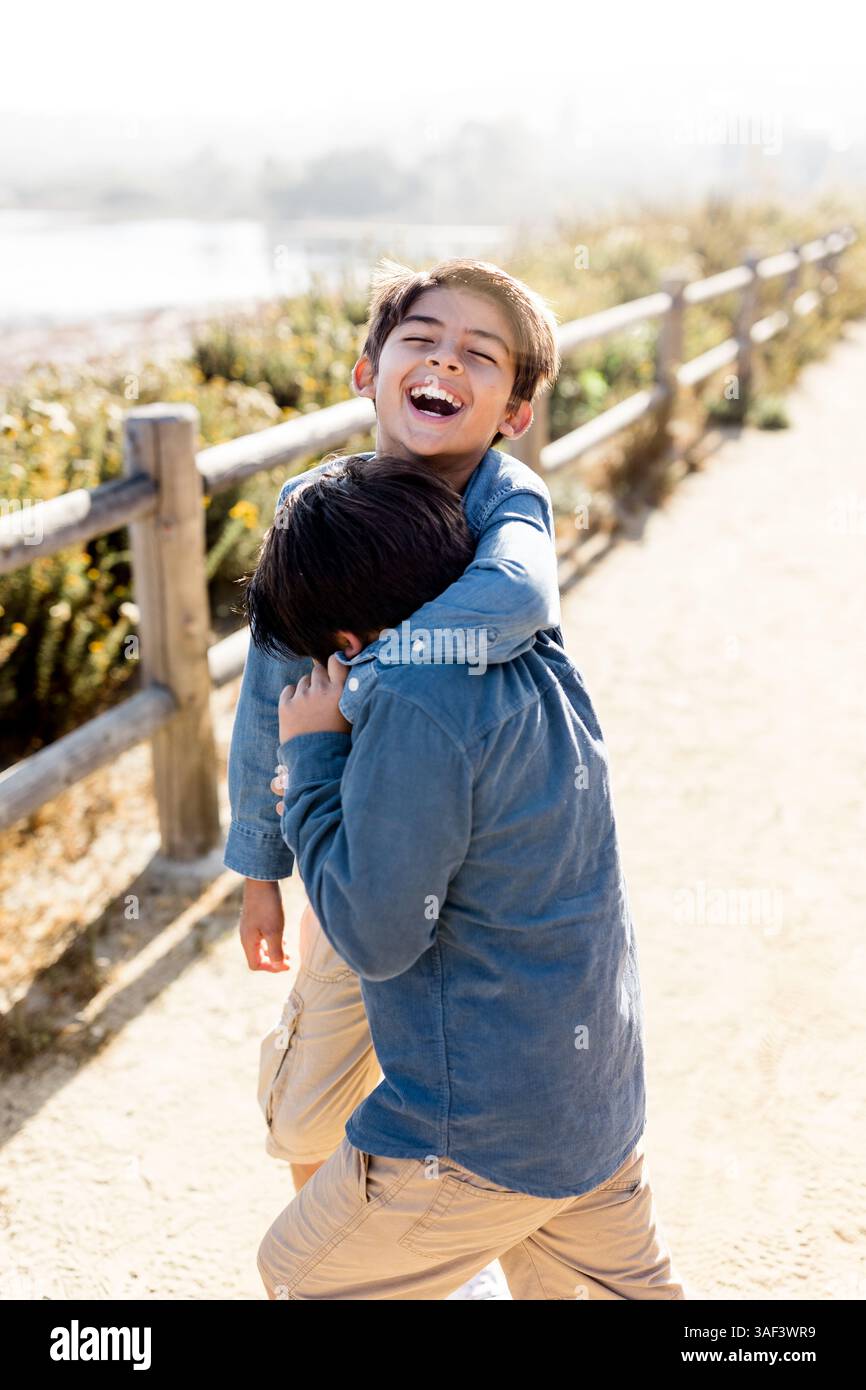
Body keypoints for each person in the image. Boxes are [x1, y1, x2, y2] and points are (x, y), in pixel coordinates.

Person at [246, 452, 687, 1300]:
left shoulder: (410, 709)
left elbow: (374, 935)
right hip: (594, 1112)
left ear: (345, 646)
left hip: (475, 1138)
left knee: (301, 1272)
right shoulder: (542, 657)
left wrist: (311, 761)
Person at [228, 258, 565, 1203]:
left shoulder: (504, 495)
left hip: (483, 857)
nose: (444, 363)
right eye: (421, 343)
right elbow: (270, 695)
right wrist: (260, 867)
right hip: (350, 834)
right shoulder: (314, 511)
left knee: (470, 1081)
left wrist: (364, 681)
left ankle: (459, 1238)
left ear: (514, 412)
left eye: (480, 355)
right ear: (366, 371)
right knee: (308, 1103)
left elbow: (520, 591)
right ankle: (339, 1254)